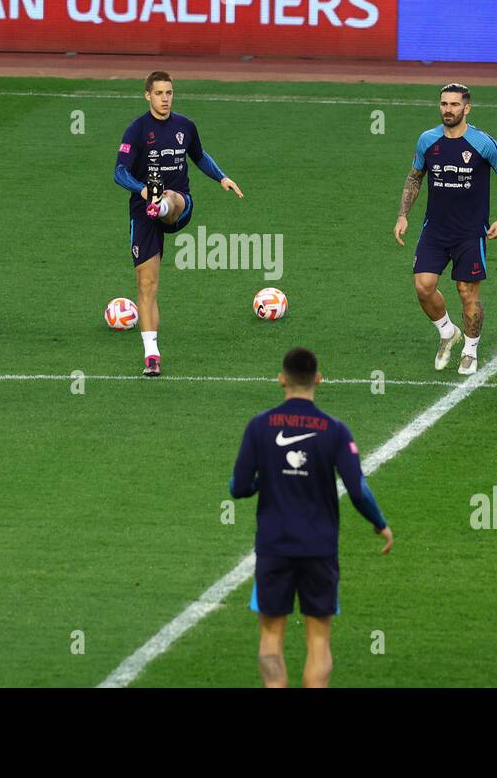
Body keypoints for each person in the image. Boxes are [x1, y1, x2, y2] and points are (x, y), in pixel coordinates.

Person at [230, 347, 393, 688]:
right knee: (318, 640)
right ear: (318, 379)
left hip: (274, 547)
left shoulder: (259, 426)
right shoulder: (334, 430)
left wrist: (267, 477)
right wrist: (379, 523)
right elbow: (358, 489)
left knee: (271, 637)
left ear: (281, 380)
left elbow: (239, 488)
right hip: (319, 548)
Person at [113, 71, 243, 377]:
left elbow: (199, 156)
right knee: (147, 285)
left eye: (169, 93)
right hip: (142, 209)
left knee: (171, 195)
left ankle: (162, 204)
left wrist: (222, 177)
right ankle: (152, 356)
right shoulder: (136, 130)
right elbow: (119, 172)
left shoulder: (185, 126)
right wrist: (143, 190)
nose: (165, 99)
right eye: (159, 93)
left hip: (179, 205)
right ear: (147, 96)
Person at [393, 84, 497, 375]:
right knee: (423, 287)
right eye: (443, 104)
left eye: (454, 105)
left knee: (467, 293)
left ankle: (471, 350)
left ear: (467, 108)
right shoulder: (427, 140)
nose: (448, 110)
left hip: (470, 233)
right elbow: (414, 178)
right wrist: (402, 215)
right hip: (434, 229)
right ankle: (448, 332)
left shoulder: (482, 143)